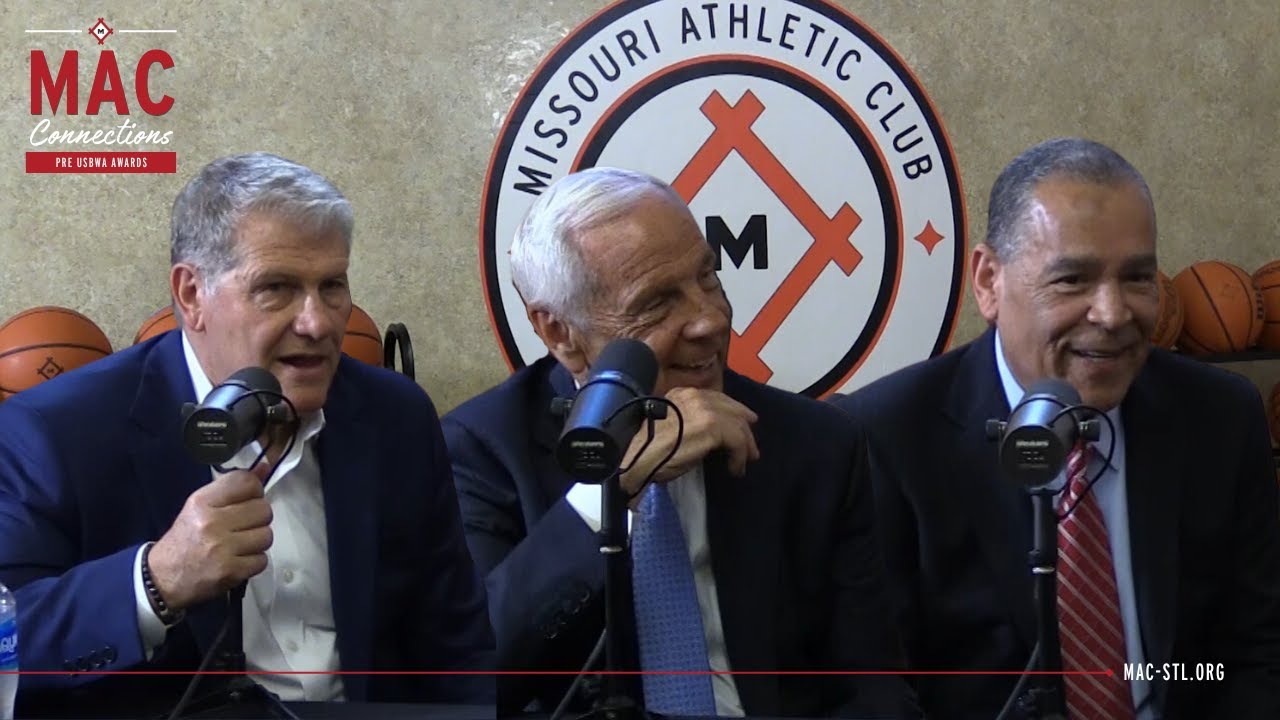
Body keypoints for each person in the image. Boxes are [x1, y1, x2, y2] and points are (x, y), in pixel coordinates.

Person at [0, 153, 494, 718]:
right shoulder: (55, 432)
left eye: (332, 285)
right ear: (191, 296)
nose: (318, 322)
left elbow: (456, 641)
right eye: (277, 288)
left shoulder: (394, 415)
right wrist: (154, 581)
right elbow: (11, 645)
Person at [444, 166, 918, 718]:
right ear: (559, 332)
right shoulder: (480, 449)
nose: (709, 321)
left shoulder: (816, 443)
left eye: (709, 278)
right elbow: (472, 679)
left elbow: (876, 688)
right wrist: (611, 492)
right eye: (657, 303)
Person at [833, 137, 1280, 719]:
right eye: (1073, 280)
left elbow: (1258, 651)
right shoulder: (882, 438)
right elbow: (877, 690)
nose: (1113, 313)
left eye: (1138, 278)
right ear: (989, 281)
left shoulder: (1220, 415)